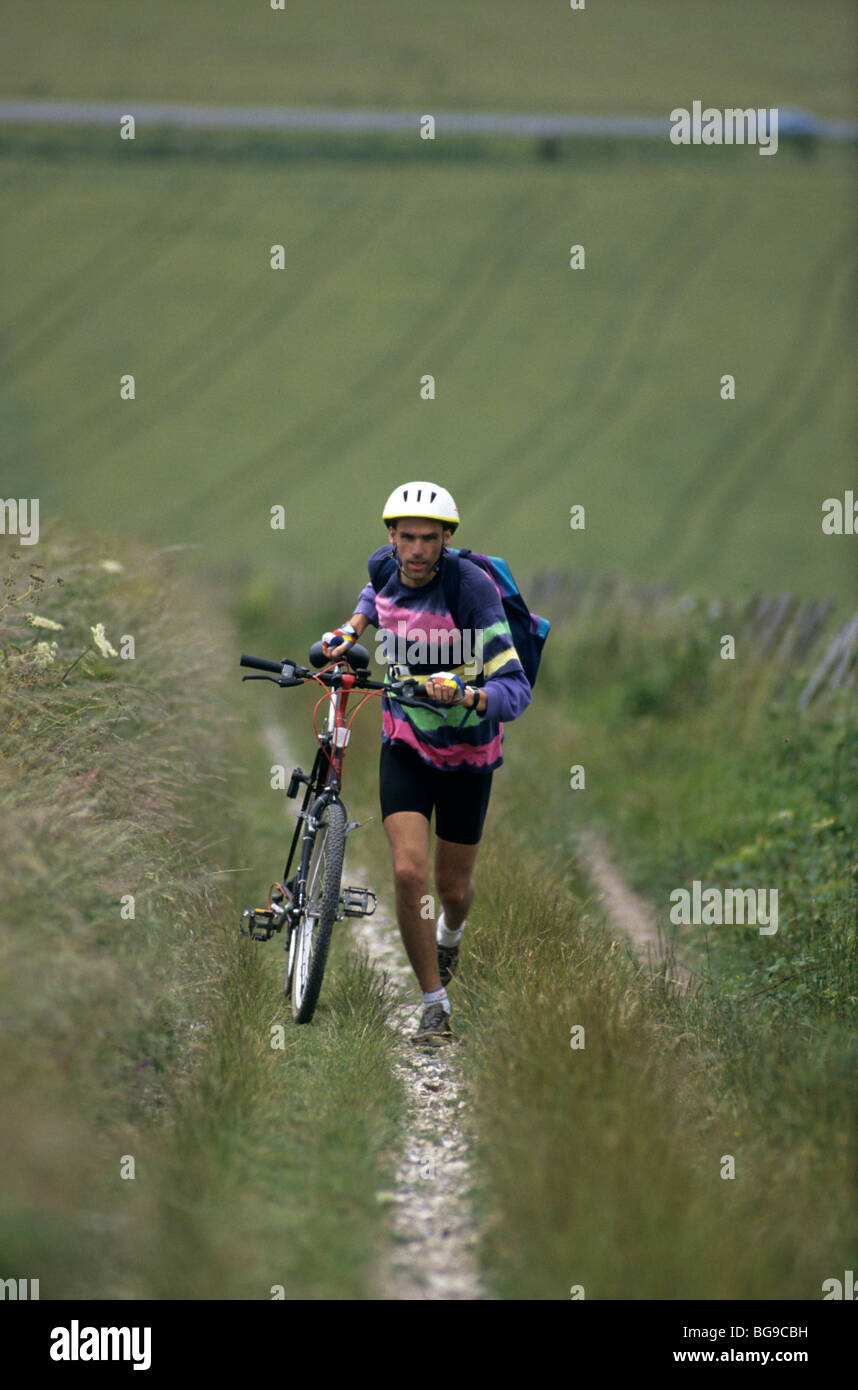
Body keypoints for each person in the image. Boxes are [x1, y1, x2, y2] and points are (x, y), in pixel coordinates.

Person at [322, 482, 531, 1046]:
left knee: (453, 887)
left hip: (469, 755)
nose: (416, 550)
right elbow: (375, 594)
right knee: (409, 873)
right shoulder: (384, 566)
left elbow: (515, 691)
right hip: (406, 743)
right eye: (406, 537)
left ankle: (451, 932)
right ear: (391, 537)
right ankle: (434, 1004)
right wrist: (352, 629)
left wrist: (465, 695)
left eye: (429, 539)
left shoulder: (472, 591)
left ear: (447, 541)